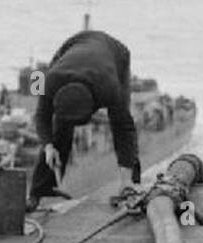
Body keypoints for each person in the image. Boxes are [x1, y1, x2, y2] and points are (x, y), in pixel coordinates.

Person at [29, 29, 139, 209]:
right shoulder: (49, 81)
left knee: (122, 118)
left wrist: (126, 179)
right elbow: (41, 116)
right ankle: (40, 189)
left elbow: (124, 129)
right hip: (72, 45)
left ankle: (131, 183)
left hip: (116, 53)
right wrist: (48, 146)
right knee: (60, 128)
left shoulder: (109, 89)